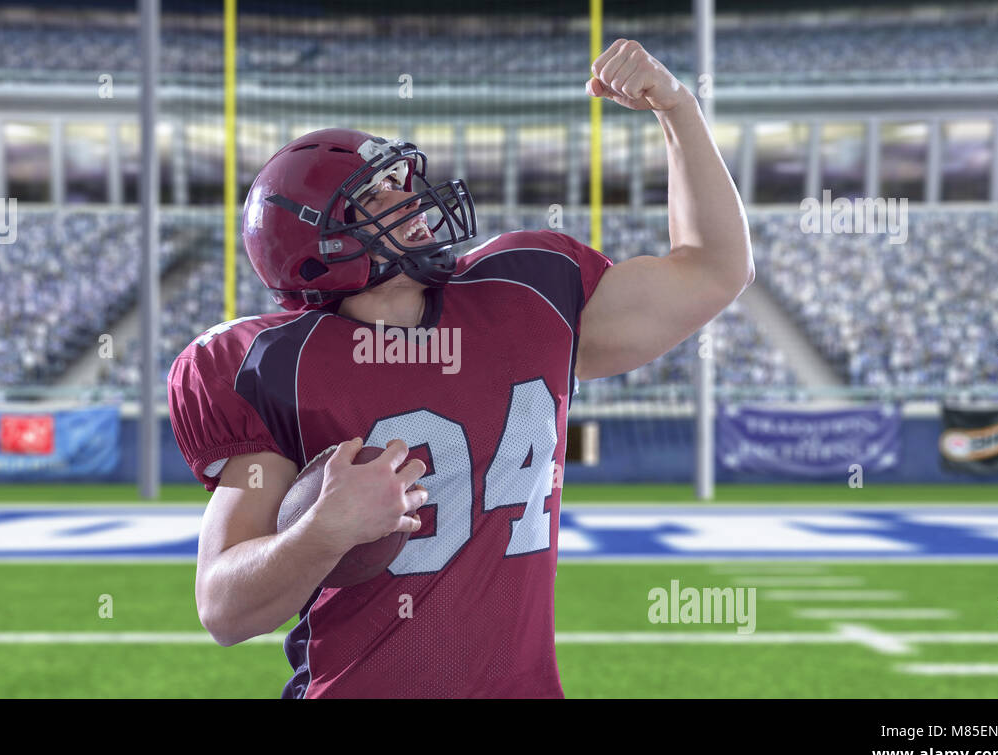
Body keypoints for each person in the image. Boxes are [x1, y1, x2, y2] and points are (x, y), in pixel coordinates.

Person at [168, 39, 754, 698]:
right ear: (319, 244)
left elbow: (713, 270)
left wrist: (676, 108)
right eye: (380, 195)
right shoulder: (271, 366)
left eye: (402, 182)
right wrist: (322, 530)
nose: (412, 200)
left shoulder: (526, 294)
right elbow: (224, 607)